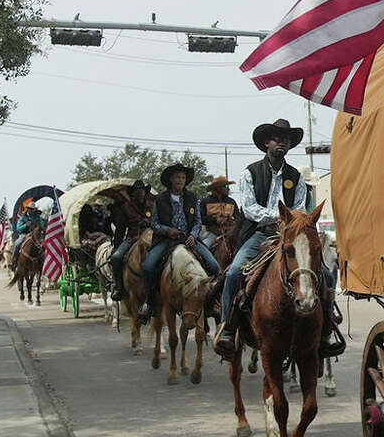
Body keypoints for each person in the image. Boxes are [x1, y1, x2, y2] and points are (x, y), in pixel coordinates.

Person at [213, 119, 346, 359]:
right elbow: (249, 208)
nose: (282, 141)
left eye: (286, 139)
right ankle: (227, 327)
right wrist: (279, 217)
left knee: (325, 274)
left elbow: (299, 208)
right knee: (232, 273)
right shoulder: (250, 173)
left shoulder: (296, 177)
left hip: (291, 236)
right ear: (267, 143)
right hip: (258, 234)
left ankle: (326, 330)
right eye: (277, 137)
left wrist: (290, 222)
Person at [138, 163, 221, 314]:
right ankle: (149, 303)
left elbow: (197, 221)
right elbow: (154, 224)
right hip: (165, 240)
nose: (180, 180)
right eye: (177, 177)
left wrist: (193, 235)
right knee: (148, 266)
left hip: (189, 239)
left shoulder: (192, 198)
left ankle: (210, 303)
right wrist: (167, 230)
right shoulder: (160, 199)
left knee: (214, 266)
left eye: (183, 178)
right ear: (170, 179)